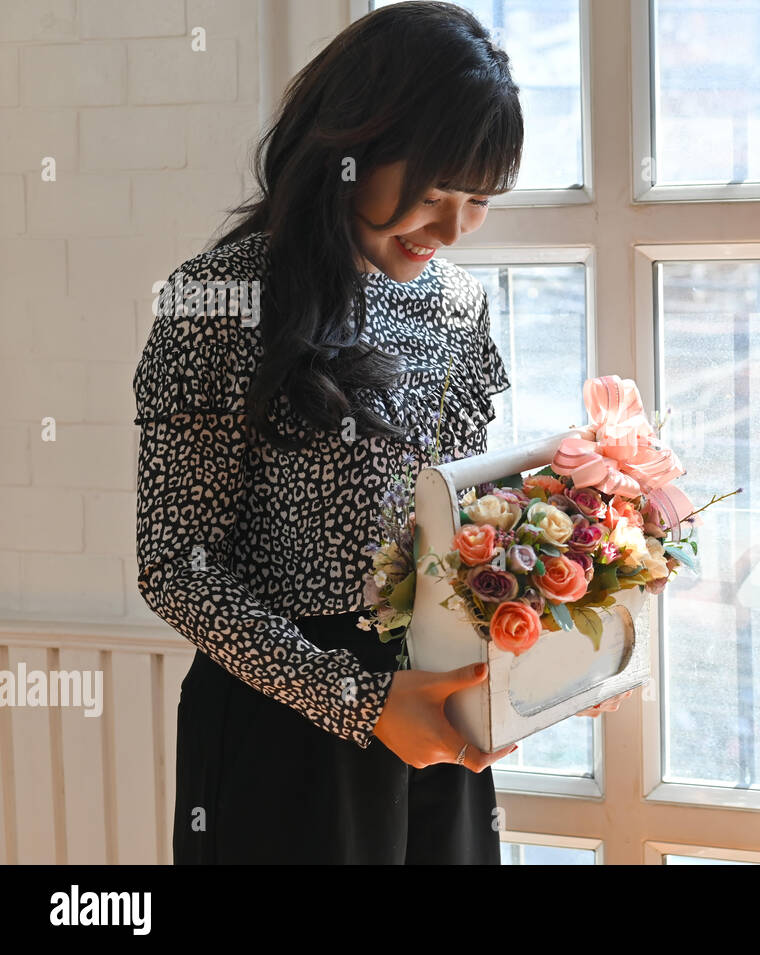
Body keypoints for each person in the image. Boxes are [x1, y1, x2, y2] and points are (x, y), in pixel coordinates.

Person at [132, 0, 632, 865]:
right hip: (281, 731)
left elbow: (462, 524)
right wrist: (358, 702)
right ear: (345, 149)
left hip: (437, 717)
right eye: (435, 193)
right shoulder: (215, 301)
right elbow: (176, 566)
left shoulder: (457, 305)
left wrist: (558, 656)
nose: (452, 228)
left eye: (478, 198)